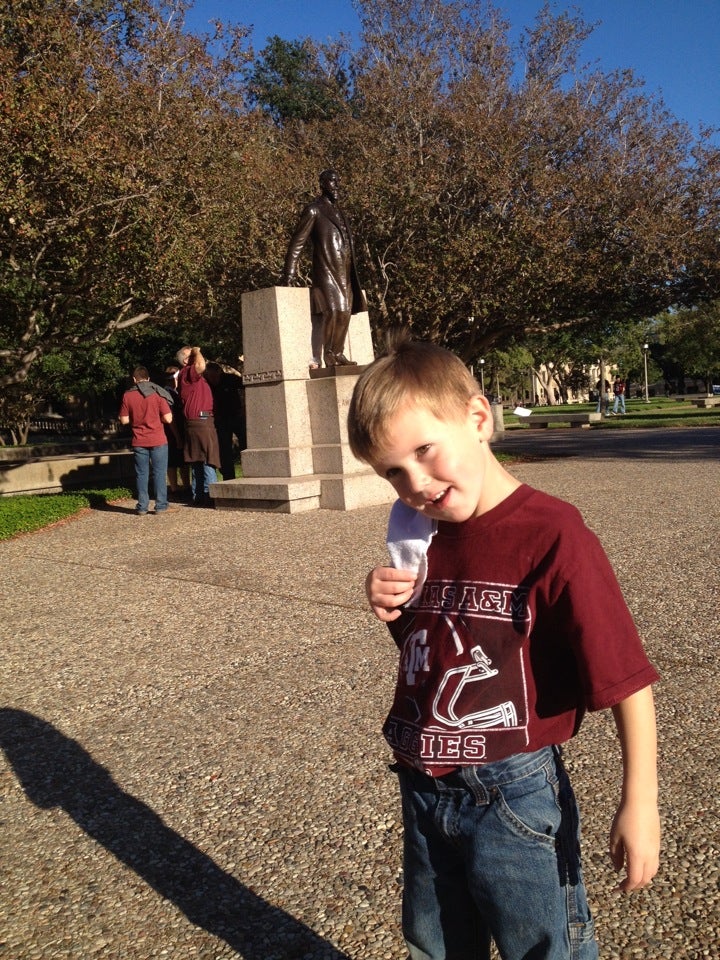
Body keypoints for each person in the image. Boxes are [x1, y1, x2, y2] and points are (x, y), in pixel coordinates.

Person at [347, 338, 660, 960]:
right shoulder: (421, 534)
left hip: (512, 793)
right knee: (435, 944)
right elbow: (433, 647)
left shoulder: (553, 534)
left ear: (479, 419)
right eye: (393, 473)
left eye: (425, 451)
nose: (415, 484)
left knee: (543, 946)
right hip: (422, 780)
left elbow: (626, 678)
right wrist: (391, 603)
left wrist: (640, 801)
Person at [281, 169, 367, 369]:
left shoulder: (341, 213)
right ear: (322, 184)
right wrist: (290, 272)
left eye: (338, 181)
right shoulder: (314, 210)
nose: (336, 185)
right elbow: (297, 242)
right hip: (326, 269)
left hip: (344, 271)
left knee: (345, 312)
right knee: (332, 310)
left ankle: (338, 352)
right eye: (332, 181)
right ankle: (328, 354)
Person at [119, 366, 173, 516]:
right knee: (159, 473)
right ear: (148, 379)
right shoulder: (157, 393)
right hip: (158, 439)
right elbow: (168, 418)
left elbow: (124, 420)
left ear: (134, 380)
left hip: (139, 440)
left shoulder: (128, 395)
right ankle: (160, 505)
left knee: (141, 474)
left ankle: (142, 506)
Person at [176, 345, 220, 507]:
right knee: (208, 459)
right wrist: (197, 350)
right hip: (201, 421)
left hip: (196, 422)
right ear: (186, 360)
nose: (197, 356)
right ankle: (211, 496)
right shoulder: (188, 372)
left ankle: (199, 496)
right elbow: (201, 365)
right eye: (192, 355)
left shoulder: (187, 375)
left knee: (197, 460)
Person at [203, 362, 246, 481]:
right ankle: (228, 477)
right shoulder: (206, 385)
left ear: (219, 373)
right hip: (220, 420)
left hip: (236, 416)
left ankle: (249, 471)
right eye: (210, 377)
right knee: (224, 449)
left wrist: (245, 407)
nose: (213, 379)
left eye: (215, 376)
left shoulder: (230, 379)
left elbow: (246, 385)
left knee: (245, 443)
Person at [161, 366, 191, 499]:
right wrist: (178, 437)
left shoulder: (176, 392)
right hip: (172, 433)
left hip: (179, 431)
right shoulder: (167, 394)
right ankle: (175, 488)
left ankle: (185, 486)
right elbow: (170, 418)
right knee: (173, 462)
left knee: (183, 461)